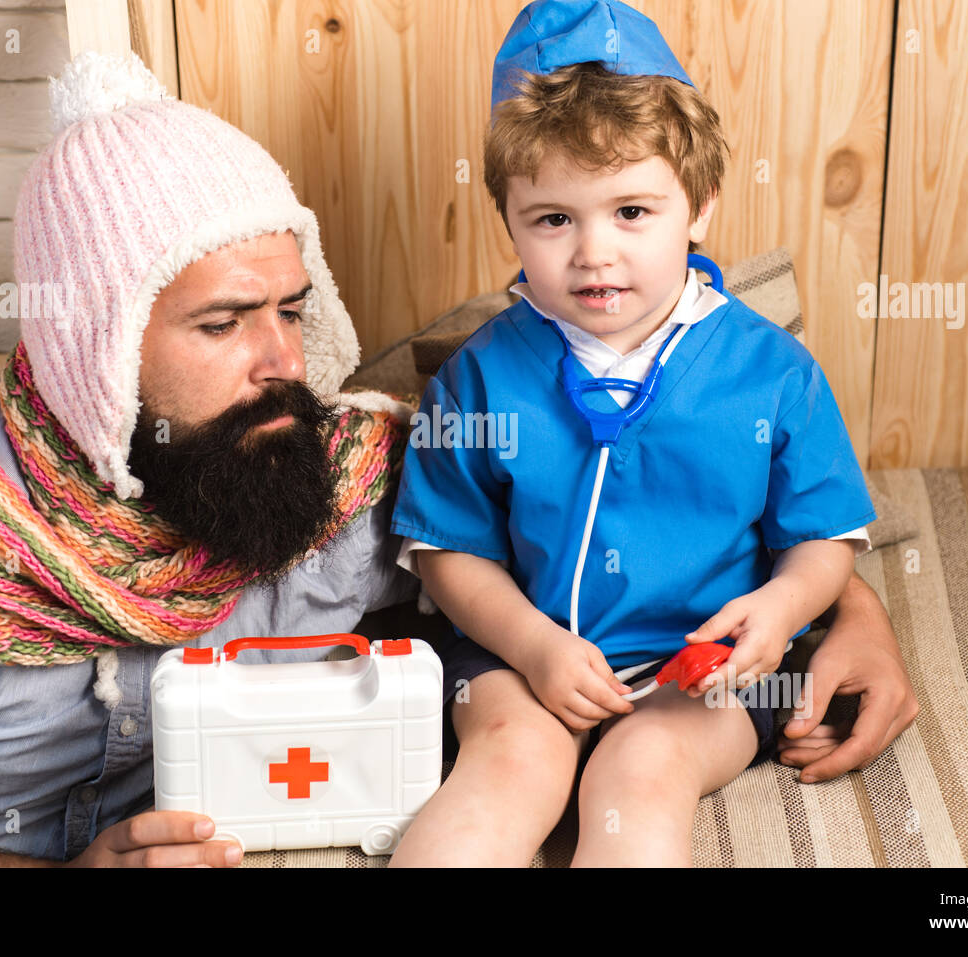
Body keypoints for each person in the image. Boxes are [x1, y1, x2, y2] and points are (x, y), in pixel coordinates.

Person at [0, 52, 417, 867]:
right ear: (95, 349)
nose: (285, 361)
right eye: (222, 324)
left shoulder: (333, 485)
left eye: (291, 309)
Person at [388, 0, 914, 866]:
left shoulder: (771, 372)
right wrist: (535, 646)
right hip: (517, 656)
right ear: (509, 219)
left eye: (632, 211)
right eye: (554, 219)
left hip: (699, 669)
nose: (594, 252)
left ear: (699, 206)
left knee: (644, 770)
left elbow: (824, 538)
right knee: (510, 765)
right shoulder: (478, 377)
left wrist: (782, 612)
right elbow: (447, 550)